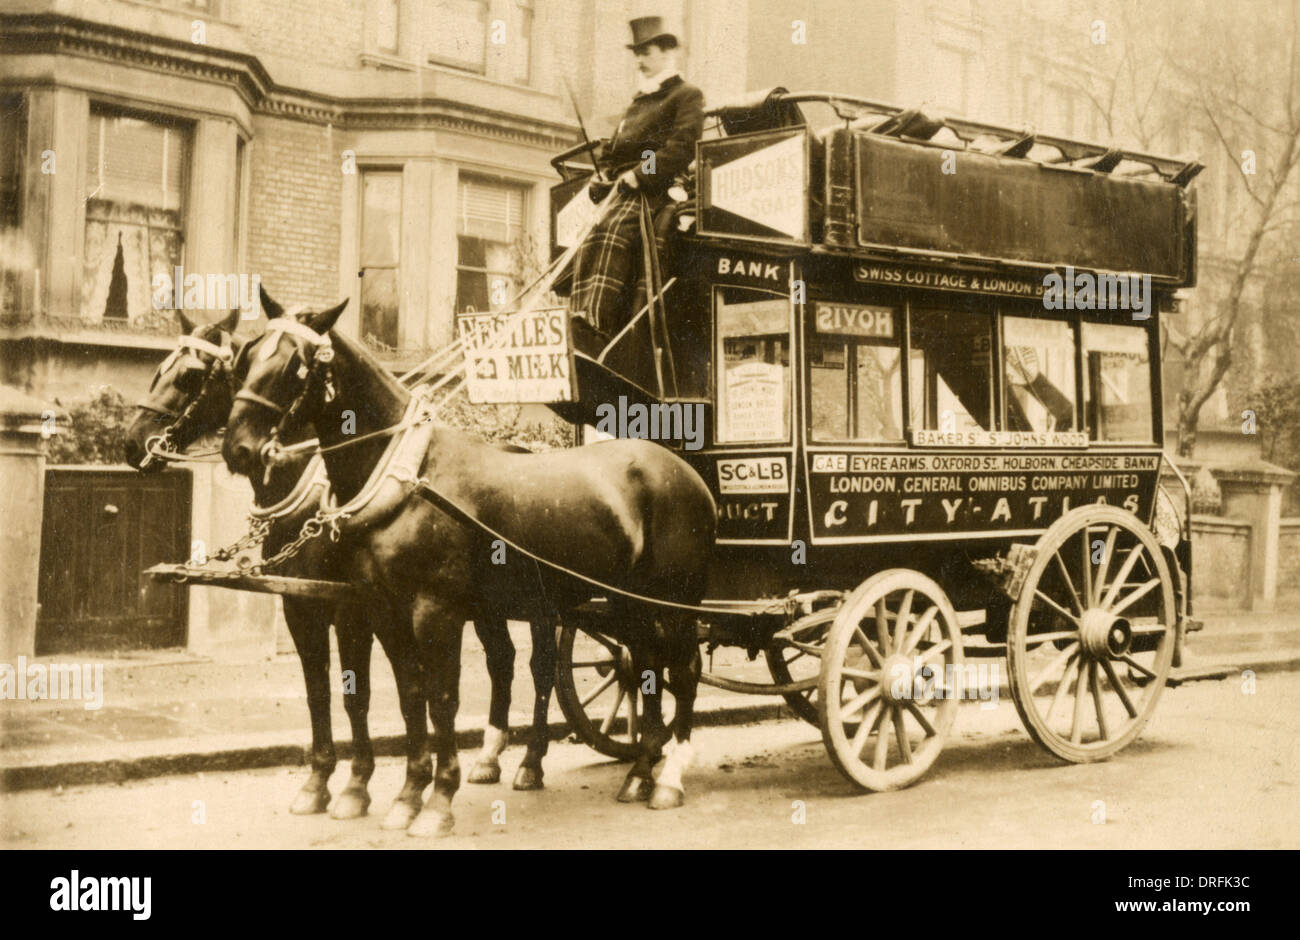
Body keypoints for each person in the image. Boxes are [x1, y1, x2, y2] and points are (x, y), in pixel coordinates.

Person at [570, 16, 704, 337]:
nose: (640, 61)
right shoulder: (639, 100)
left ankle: (594, 321)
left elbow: (682, 148)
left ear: (666, 53)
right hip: (621, 188)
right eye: (637, 54)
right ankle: (579, 314)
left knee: (611, 229)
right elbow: (613, 150)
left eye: (647, 53)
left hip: (654, 189)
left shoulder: (686, 95)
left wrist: (640, 175)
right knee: (587, 235)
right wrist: (601, 176)